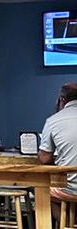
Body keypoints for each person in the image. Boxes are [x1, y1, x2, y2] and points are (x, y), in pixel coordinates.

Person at [38, 82, 77, 217]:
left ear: (62, 99)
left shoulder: (53, 121)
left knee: (41, 191)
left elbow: (44, 158)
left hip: (70, 189)